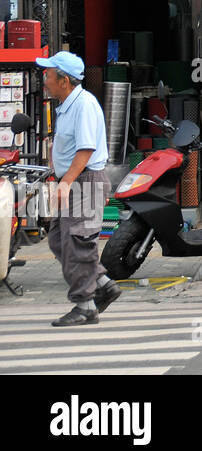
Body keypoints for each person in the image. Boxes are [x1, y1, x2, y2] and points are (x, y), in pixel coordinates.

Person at [37, 51, 121, 327]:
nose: (44, 79)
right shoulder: (67, 105)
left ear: (64, 80)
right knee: (59, 240)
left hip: (83, 181)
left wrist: (66, 181)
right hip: (75, 181)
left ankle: (85, 306)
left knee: (78, 243)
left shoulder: (83, 104)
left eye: (48, 74)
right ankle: (102, 282)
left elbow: (86, 148)